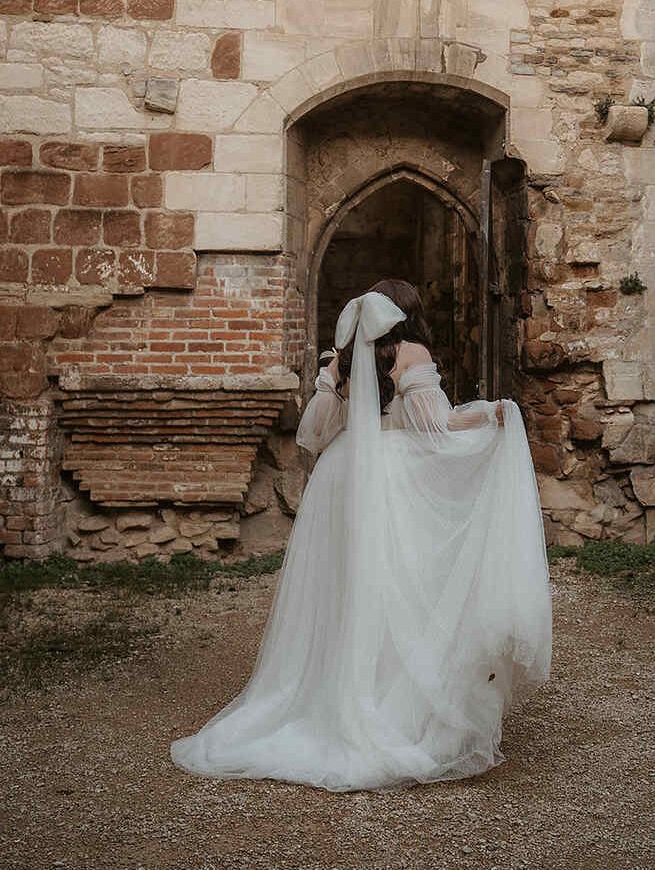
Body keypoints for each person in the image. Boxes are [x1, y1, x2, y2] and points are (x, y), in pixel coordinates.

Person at [170, 278, 552, 791]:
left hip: (340, 478)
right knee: (397, 584)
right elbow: (431, 429)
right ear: (408, 313)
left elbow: (313, 435)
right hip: (389, 480)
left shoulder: (343, 360)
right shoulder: (411, 352)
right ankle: (389, 703)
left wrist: (332, 379)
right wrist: (490, 415)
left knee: (340, 590)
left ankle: (326, 695)